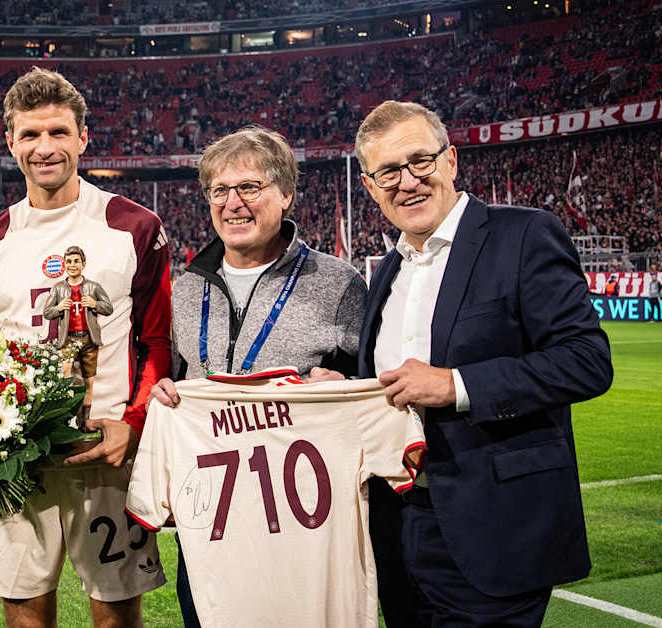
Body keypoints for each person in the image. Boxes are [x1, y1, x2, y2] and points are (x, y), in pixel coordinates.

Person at [354, 100, 613, 627]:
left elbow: (587, 360)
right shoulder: (385, 271)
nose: (406, 182)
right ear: (369, 186)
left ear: (450, 160)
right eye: (388, 172)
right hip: (398, 531)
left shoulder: (523, 235)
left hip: (495, 529)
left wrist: (457, 385)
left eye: (419, 161)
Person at [0, 67, 172, 628]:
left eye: (58, 132)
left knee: (117, 615)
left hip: (107, 453)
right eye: (30, 135)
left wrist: (135, 420)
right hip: (19, 463)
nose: (44, 147)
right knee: (26, 614)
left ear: (83, 137)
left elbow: (156, 341)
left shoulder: (134, 227)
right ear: (10, 141)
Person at [148, 125, 367, 627]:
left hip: (303, 527)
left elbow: (374, 392)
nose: (233, 203)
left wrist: (347, 389)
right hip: (209, 528)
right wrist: (166, 394)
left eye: (249, 187)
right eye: (219, 191)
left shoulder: (339, 284)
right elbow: (179, 385)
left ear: (286, 193)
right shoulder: (185, 290)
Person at [41, 244, 113, 423]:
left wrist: (95, 304)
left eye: (76, 261)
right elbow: (47, 312)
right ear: (64, 264)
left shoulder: (93, 287)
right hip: (68, 339)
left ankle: (85, 420)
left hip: (88, 339)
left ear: (84, 264)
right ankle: (66, 418)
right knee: (66, 376)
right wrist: (58, 308)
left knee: (89, 380)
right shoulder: (58, 288)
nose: (72, 265)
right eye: (69, 261)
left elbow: (109, 308)